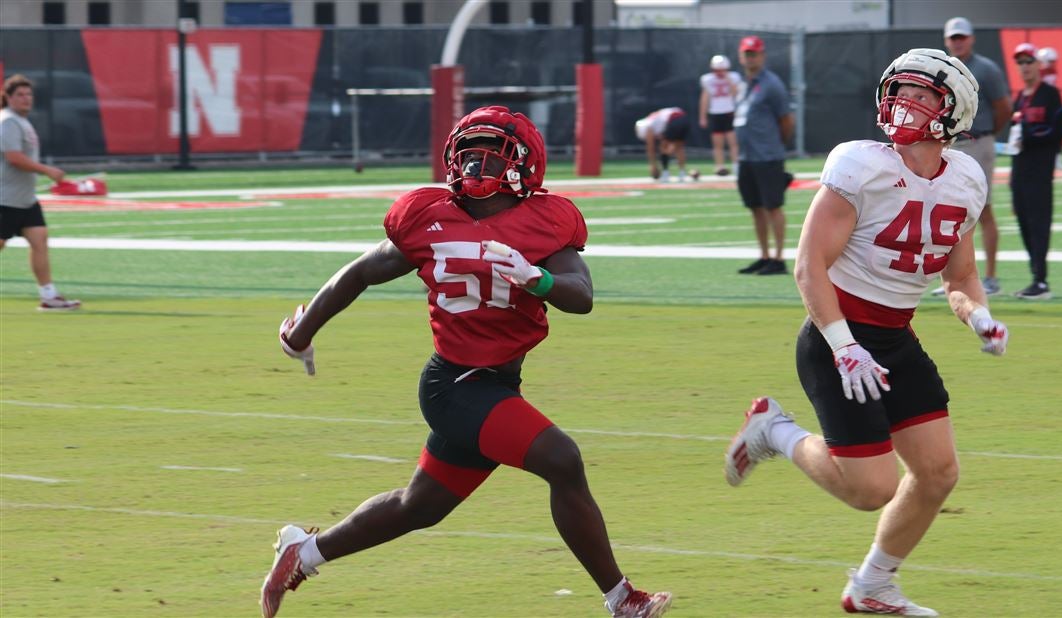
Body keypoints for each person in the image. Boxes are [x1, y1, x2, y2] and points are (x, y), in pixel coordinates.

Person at [261, 106, 672, 618]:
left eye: (491, 157)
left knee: (420, 507)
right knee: (562, 460)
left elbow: (581, 296)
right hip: (455, 385)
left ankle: (303, 552)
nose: (478, 168)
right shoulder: (429, 215)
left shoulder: (544, 220)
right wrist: (300, 332)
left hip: (494, 384)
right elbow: (360, 272)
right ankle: (622, 599)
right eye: (471, 156)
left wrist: (536, 279)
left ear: (523, 165)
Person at [723, 49, 1010, 617]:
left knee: (938, 473)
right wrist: (845, 346)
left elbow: (961, 276)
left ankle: (871, 585)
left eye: (923, 95)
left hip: (895, 339)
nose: (905, 102)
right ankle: (773, 430)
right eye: (899, 90)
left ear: (955, 110)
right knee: (870, 489)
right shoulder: (860, 164)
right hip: (837, 337)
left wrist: (978, 316)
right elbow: (809, 265)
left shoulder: (966, 179)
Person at [941, 16, 1011, 296]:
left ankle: (991, 277)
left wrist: (987, 134)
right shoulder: (942, 69)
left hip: (977, 141)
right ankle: (952, 278)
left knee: (983, 209)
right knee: (946, 211)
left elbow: (1004, 107)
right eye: (953, 38)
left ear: (970, 39)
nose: (958, 42)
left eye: (962, 37)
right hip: (949, 144)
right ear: (947, 40)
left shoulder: (986, 69)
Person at [0, 74, 81, 311]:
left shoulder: (21, 121)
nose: (26, 99)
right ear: (8, 98)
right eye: (20, 95)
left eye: (29, 94)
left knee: (40, 239)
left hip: (24, 199)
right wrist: (47, 170)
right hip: (6, 199)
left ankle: (49, 296)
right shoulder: (8, 122)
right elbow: (14, 158)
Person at [1009, 43, 1062, 300]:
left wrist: (1032, 137)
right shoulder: (1020, 97)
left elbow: (1060, 130)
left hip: (1040, 171)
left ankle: (1041, 281)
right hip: (1020, 171)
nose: (1024, 67)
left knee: (1038, 225)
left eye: (1029, 62)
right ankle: (1036, 278)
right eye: (1020, 63)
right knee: (1024, 224)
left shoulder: (1050, 94)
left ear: (1038, 65)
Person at [733, 35, 795, 276]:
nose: (750, 58)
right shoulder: (742, 84)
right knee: (755, 207)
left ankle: (779, 258)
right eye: (746, 54)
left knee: (773, 206)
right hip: (747, 156)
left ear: (762, 55)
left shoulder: (771, 84)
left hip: (767, 155)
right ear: (741, 56)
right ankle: (764, 255)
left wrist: (776, 144)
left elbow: (786, 120)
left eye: (754, 54)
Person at [698, 54, 743, 176]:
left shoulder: (733, 77)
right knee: (718, 143)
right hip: (715, 113)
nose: (719, 72)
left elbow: (736, 93)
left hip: (730, 111)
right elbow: (705, 98)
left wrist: (727, 79)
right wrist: (702, 116)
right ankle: (719, 166)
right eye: (717, 70)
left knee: (733, 142)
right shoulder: (708, 79)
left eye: (722, 69)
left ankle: (736, 166)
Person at [636, 107, 698, 183]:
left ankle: (665, 173)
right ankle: (682, 173)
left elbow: (650, 147)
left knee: (663, 147)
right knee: (679, 148)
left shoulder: (648, 125)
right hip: (684, 119)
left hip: (674, 120)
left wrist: (653, 166)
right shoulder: (655, 118)